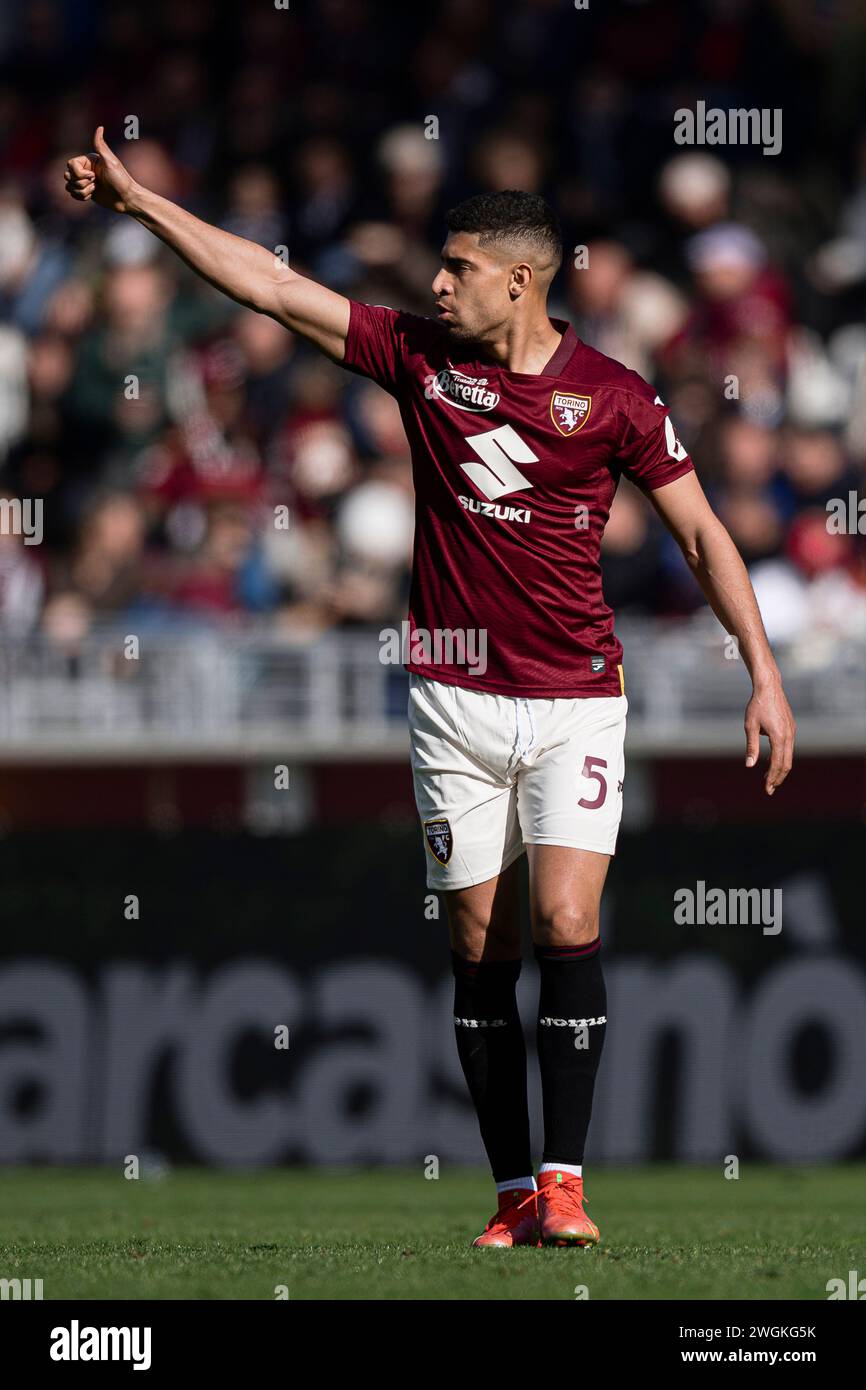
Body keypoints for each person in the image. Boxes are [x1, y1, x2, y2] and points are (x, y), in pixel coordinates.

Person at [65, 130, 796, 1248]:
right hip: (450, 697)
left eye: (454, 267)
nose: (435, 282)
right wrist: (139, 204)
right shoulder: (416, 358)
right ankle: (510, 1192)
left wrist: (763, 671)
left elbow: (699, 534)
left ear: (518, 279)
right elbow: (267, 283)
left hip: (574, 696)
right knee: (476, 947)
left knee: (566, 917)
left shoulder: (612, 397)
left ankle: (564, 1183)